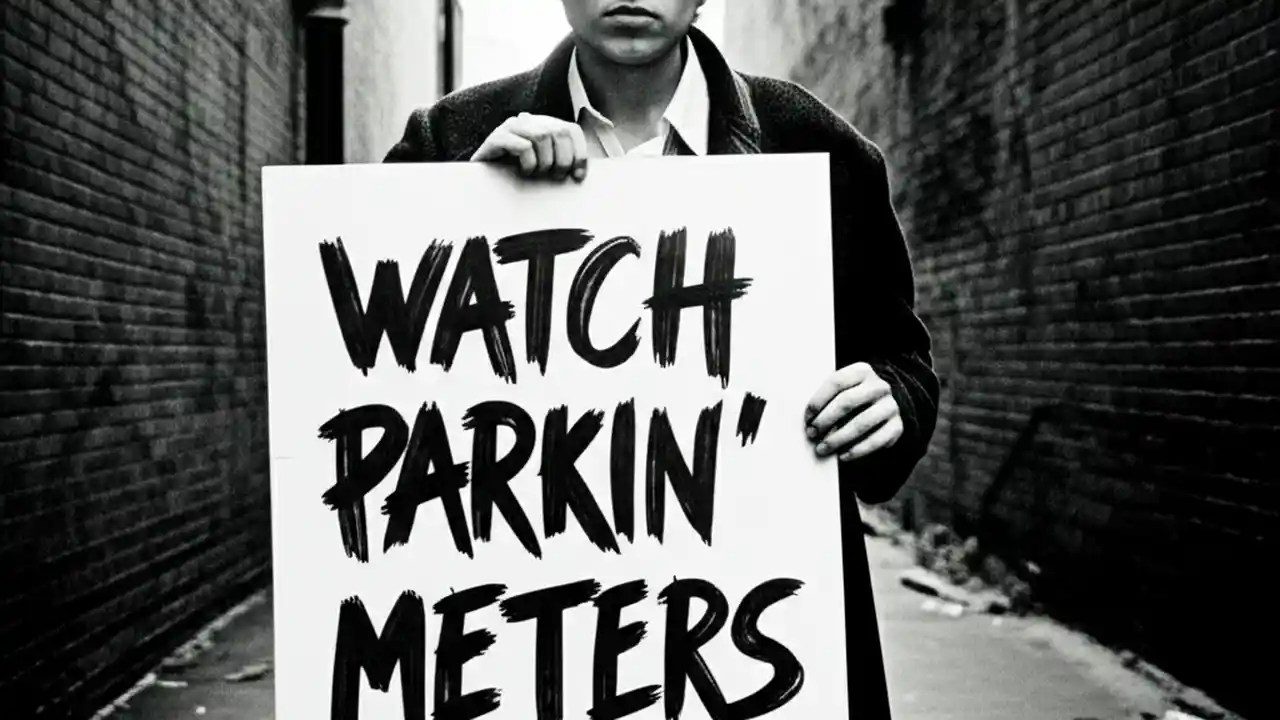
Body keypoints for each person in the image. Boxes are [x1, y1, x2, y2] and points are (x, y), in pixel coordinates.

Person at [385, 1, 939, 716]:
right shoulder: (450, 139)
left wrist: (891, 397)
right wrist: (460, 208)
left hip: (753, 653)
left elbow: (900, 354)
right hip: (540, 650)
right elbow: (377, 388)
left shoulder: (816, 149)